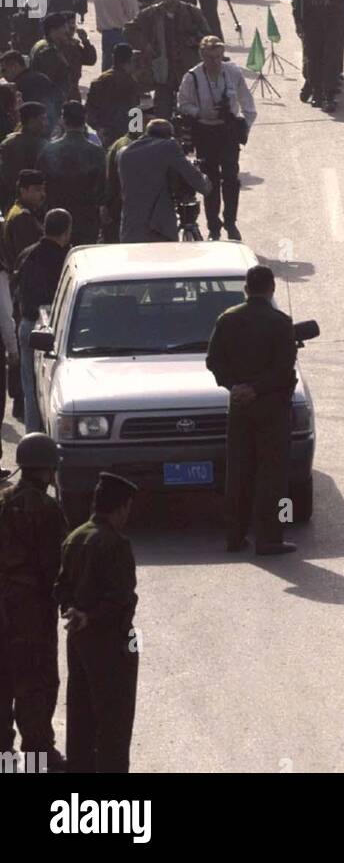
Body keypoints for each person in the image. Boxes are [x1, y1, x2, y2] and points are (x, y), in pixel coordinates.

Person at [205, 264, 299, 557]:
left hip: (239, 407)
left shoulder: (227, 319)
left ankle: (234, 536)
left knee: (238, 471)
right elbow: (284, 371)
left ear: (246, 289)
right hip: (271, 408)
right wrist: (257, 388)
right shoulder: (280, 323)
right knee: (271, 474)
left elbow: (213, 361)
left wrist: (235, 386)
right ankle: (270, 537)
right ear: (271, 289)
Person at [55, 471, 139, 774]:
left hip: (77, 640)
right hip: (110, 643)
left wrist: (74, 612)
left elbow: (60, 586)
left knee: (80, 714)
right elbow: (121, 600)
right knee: (114, 721)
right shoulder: (115, 544)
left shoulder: (74, 538)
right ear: (121, 507)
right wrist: (90, 616)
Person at [0, 432, 67, 772]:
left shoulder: (1, 500)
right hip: (31, 614)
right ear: (46, 470)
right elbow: (54, 567)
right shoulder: (46, 509)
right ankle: (39, 761)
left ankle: (3, 761)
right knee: (35, 685)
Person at [176, 36, 257, 242]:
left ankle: (230, 221)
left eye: (219, 57)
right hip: (205, 132)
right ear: (202, 56)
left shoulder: (232, 72)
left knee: (231, 178)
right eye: (211, 57)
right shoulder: (192, 77)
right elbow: (183, 103)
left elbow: (247, 103)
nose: (215, 62)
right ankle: (214, 226)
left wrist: (243, 126)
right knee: (209, 181)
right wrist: (201, 113)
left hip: (227, 132)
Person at [16, 209, 72, 433]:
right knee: (54, 391)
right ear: (67, 230)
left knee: (31, 390)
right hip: (53, 331)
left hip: (27, 325)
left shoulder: (27, 253)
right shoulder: (66, 258)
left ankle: (33, 440)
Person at [124, 0, 211, 120]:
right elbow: (129, 30)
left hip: (187, 69)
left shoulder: (192, 12)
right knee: (162, 113)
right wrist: (145, 45)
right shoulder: (151, 13)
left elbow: (207, 35)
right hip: (163, 71)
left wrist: (195, 40)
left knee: (190, 112)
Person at [117, 118, 210, 244]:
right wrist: (205, 183)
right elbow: (194, 177)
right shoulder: (168, 146)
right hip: (157, 227)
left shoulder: (124, 153)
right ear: (168, 136)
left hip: (130, 227)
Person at [36, 103, 105, 247]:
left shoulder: (49, 150)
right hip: (87, 216)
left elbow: (40, 183)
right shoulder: (96, 152)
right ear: (84, 119)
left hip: (55, 213)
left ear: (63, 120)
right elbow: (103, 187)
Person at [84, 43, 141, 148]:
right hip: (125, 135)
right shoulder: (130, 82)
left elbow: (90, 110)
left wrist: (98, 127)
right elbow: (134, 111)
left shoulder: (100, 80)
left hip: (105, 134)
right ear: (127, 62)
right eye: (133, 61)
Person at [0, 103, 51, 212]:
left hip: (10, 202)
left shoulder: (7, 144)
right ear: (31, 121)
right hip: (37, 204)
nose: (45, 123)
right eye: (42, 119)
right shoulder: (43, 146)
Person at [3, 169, 46, 270]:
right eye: (37, 190)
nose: (43, 194)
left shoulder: (19, 211)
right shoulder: (21, 217)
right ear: (23, 191)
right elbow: (28, 257)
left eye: (43, 189)